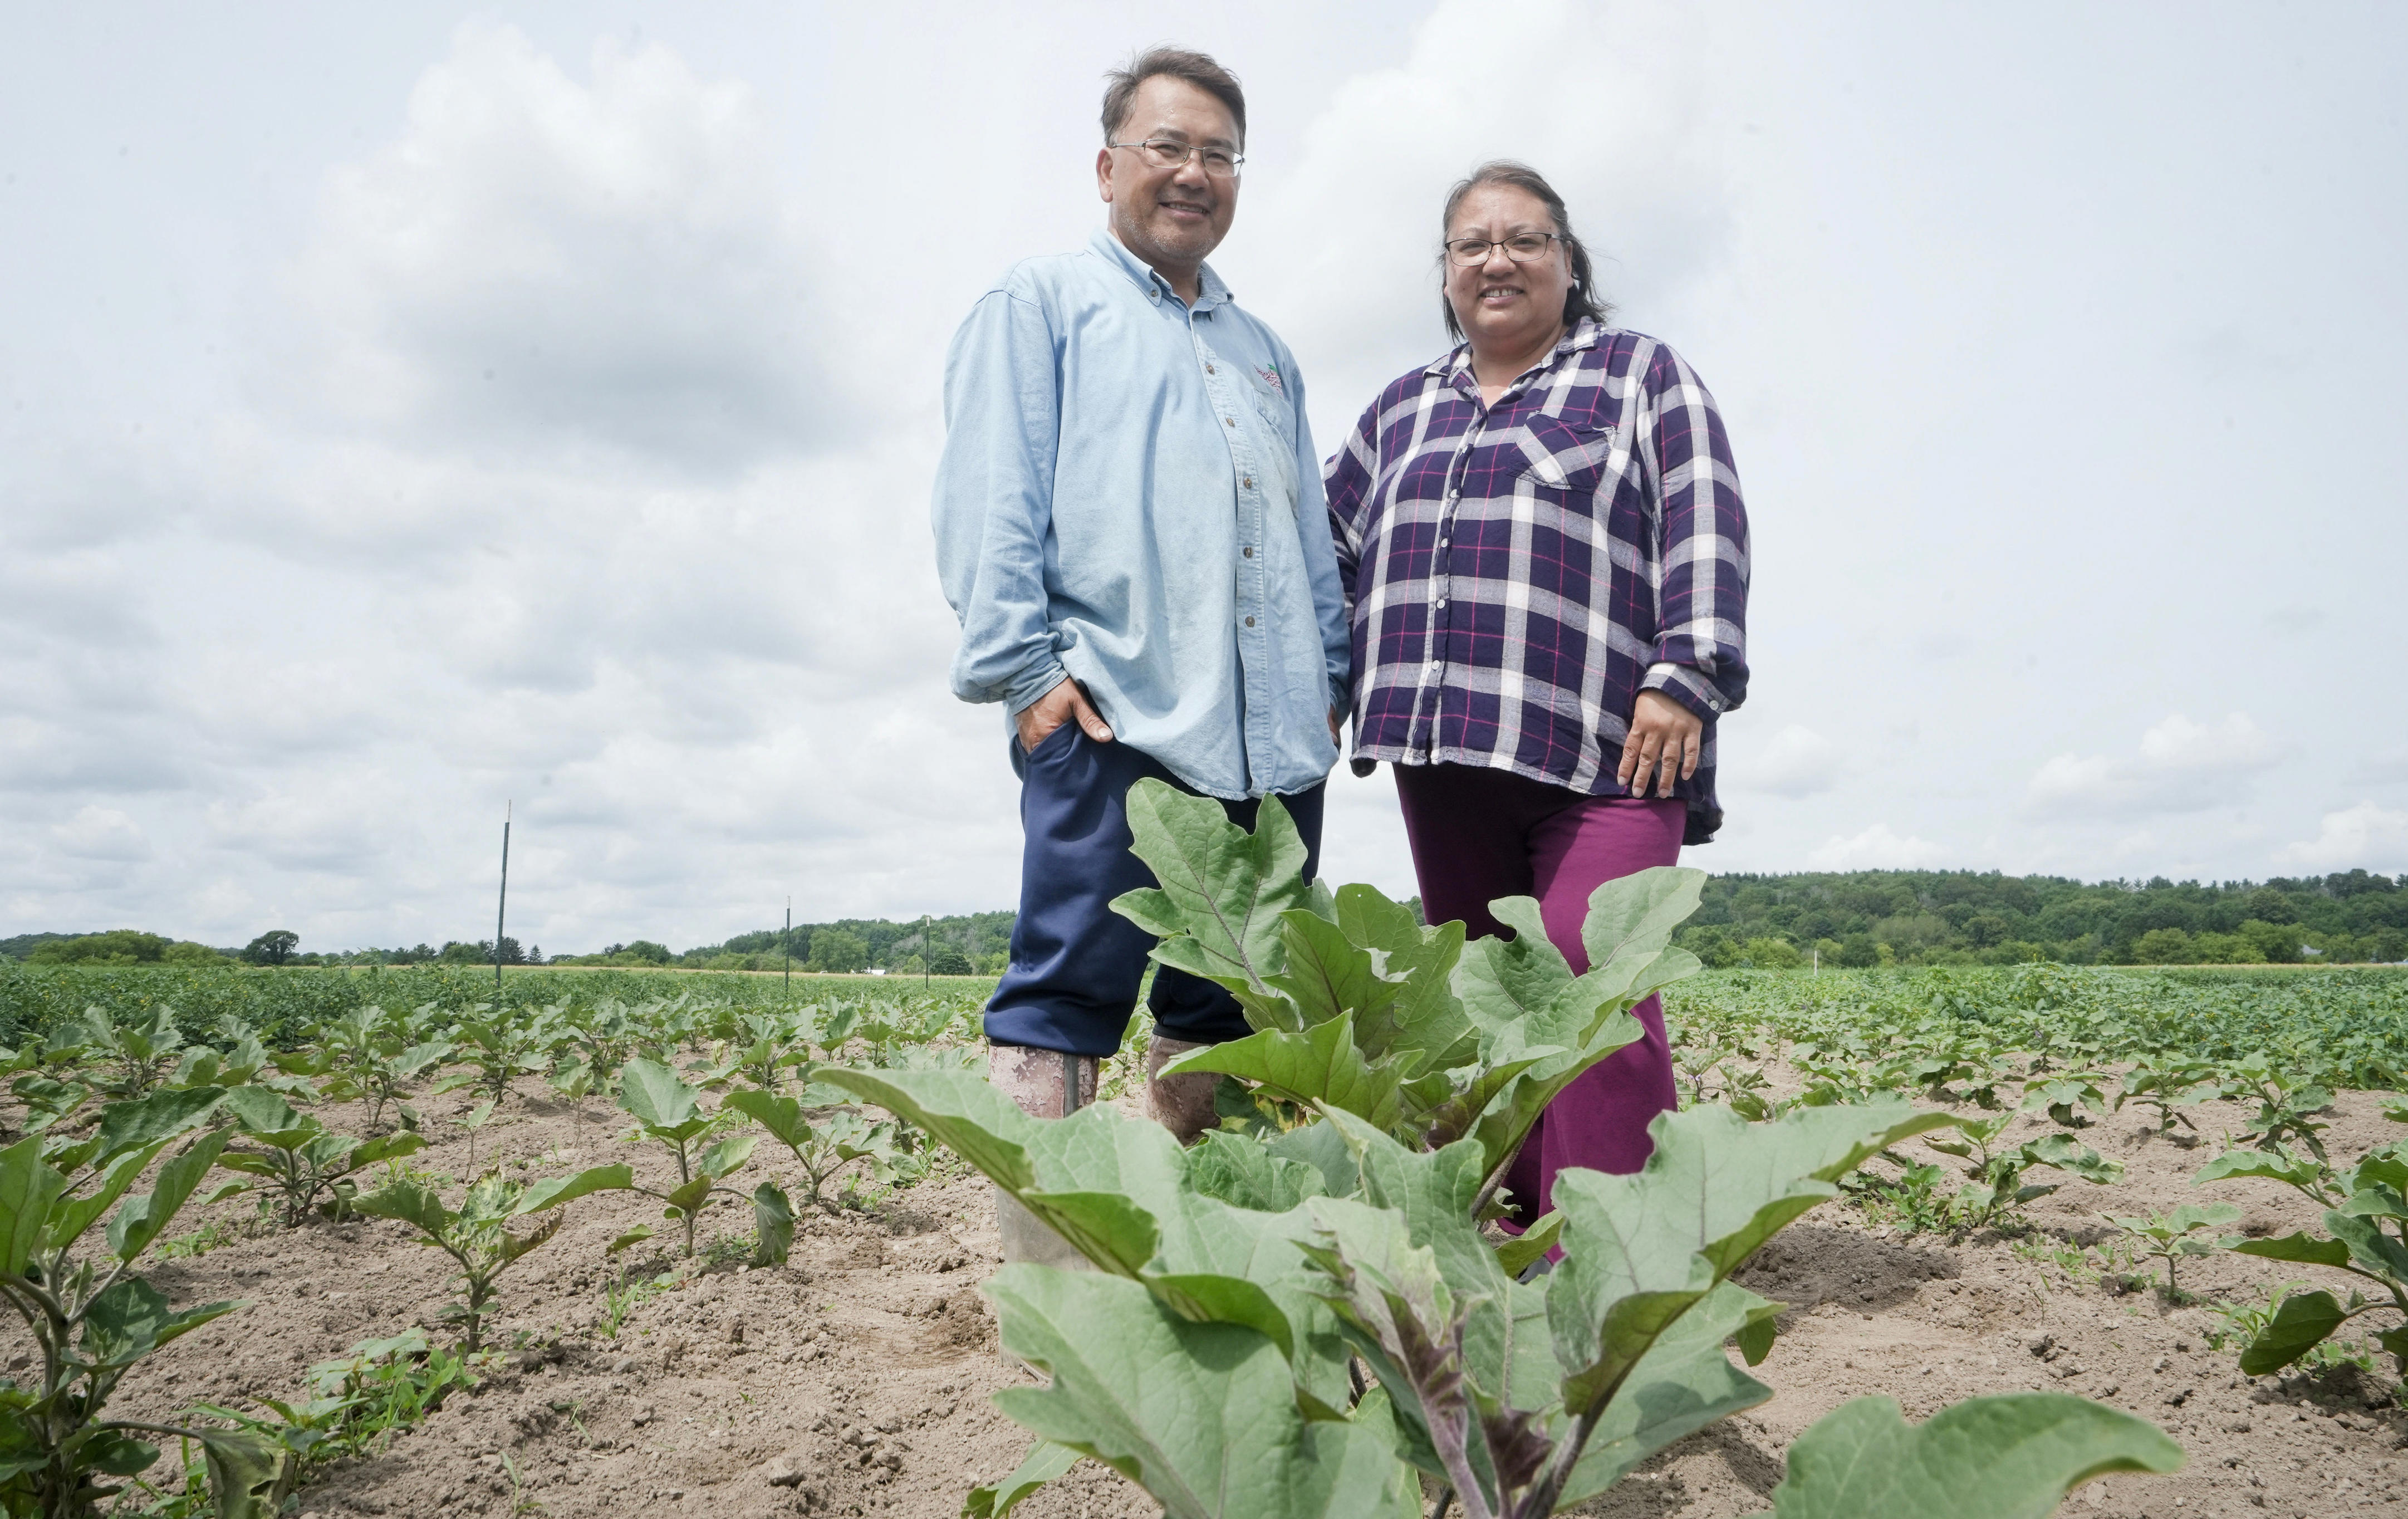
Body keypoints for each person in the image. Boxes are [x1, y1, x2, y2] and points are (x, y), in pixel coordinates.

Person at [931, 50, 1348, 1184]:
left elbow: (1307, 528)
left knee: (1228, 994)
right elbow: (991, 499)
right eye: (1169, 146)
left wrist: (1333, 679)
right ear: (1109, 162)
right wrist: (1027, 673)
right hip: (1117, 713)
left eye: (1219, 153)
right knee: (1069, 985)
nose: (1194, 172)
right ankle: (1054, 1257)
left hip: (1273, 739)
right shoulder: (1044, 303)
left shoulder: (1262, 349)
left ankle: (1198, 1223)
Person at [1324, 160, 1750, 1238]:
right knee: (1483, 990)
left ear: (1569, 263)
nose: (1496, 260)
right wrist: (1322, 680)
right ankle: (1518, 1215)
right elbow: (1323, 552)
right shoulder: (1399, 409)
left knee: (1584, 967)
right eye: (1471, 244)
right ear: (1446, 273)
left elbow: (1706, 518)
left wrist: (1687, 673)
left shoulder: (1638, 375)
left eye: (1525, 239)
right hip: (1446, 749)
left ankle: (1612, 1236)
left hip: (1611, 749)